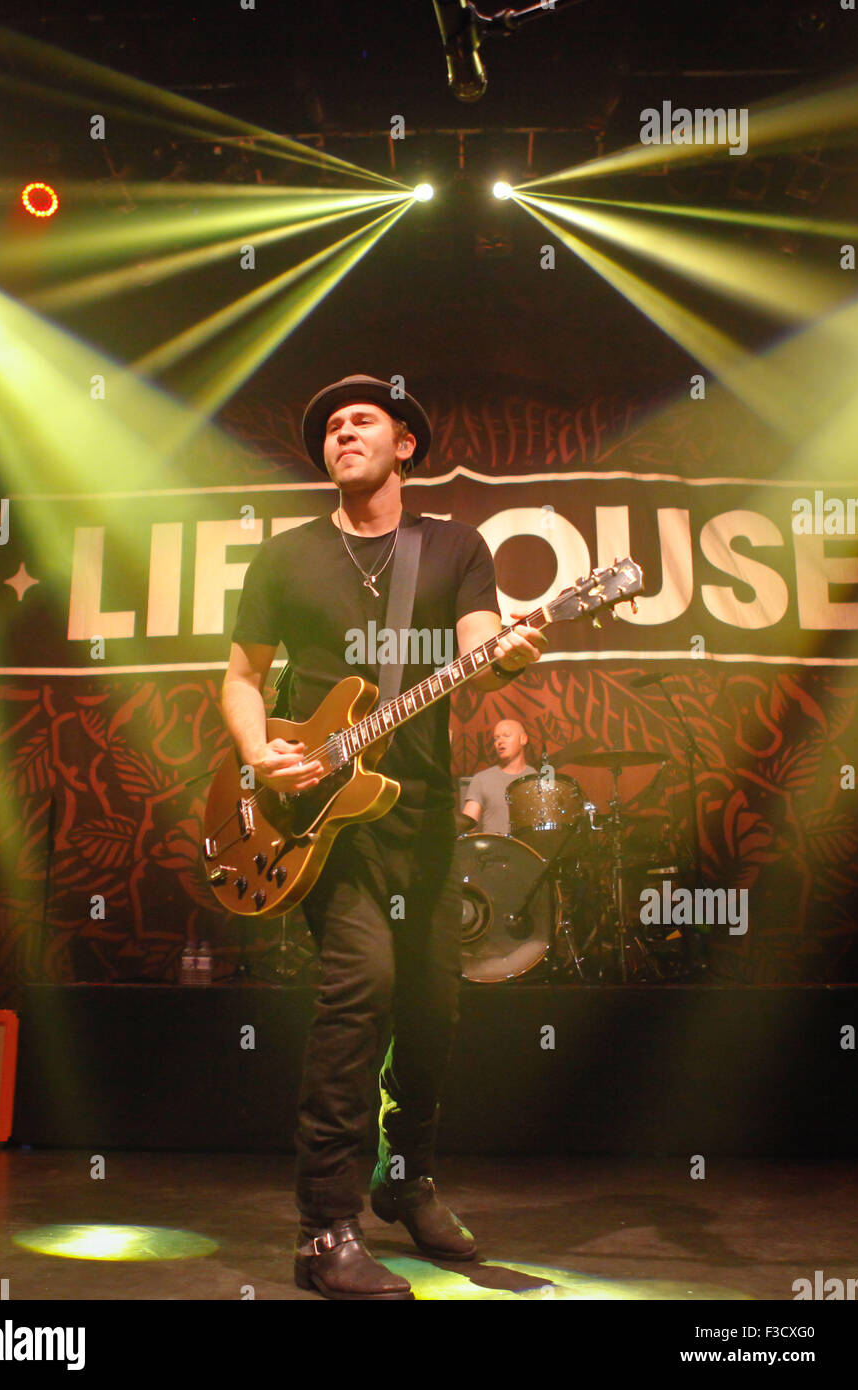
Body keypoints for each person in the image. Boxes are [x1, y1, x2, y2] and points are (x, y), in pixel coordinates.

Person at [221, 374, 546, 1299]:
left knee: (433, 1010)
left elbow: (481, 645)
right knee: (360, 987)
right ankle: (323, 1229)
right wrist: (258, 753)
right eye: (329, 426)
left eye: (361, 419)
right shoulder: (286, 556)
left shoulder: (451, 546)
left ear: (405, 444)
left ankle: (407, 1181)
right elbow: (242, 678)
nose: (341, 432)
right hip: (324, 820)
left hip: (423, 813)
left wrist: (510, 651)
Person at [462, 719, 536, 835]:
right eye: (496, 738)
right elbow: (466, 825)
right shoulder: (482, 779)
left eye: (506, 735)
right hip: (493, 846)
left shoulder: (536, 779)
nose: (500, 741)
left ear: (523, 739)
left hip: (526, 845)